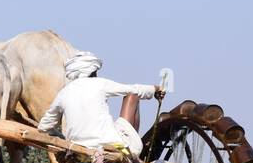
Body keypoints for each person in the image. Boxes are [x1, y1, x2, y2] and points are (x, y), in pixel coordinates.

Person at [36, 52, 165, 155]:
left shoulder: (63, 93)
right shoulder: (99, 84)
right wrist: (155, 89)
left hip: (78, 149)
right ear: (92, 72)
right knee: (132, 96)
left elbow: (43, 127)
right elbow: (133, 90)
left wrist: (61, 137)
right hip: (113, 146)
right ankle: (132, 151)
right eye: (95, 72)